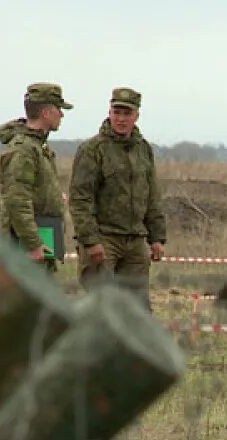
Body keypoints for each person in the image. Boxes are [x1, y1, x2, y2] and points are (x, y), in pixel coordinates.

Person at [68, 87, 167, 309]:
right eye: (117, 112)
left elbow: (151, 195)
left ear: (136, 116)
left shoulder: (143, 150)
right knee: (100, 306)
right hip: (104, 239)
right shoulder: (92, 149)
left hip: (135, 239)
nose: (121, 119)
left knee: (137, 308)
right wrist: (91, 240)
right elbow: (80, 199)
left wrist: (157, 237)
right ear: (109, 112)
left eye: (127, 113)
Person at [0, 82, 73, 273]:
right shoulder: (24, 150)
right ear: (46, 113)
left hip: (39, 240)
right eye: (59, 110)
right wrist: (33, 244)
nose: (62, 115)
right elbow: (17, 199)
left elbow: (32, 189)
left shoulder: (37, 146)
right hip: (24, 250)